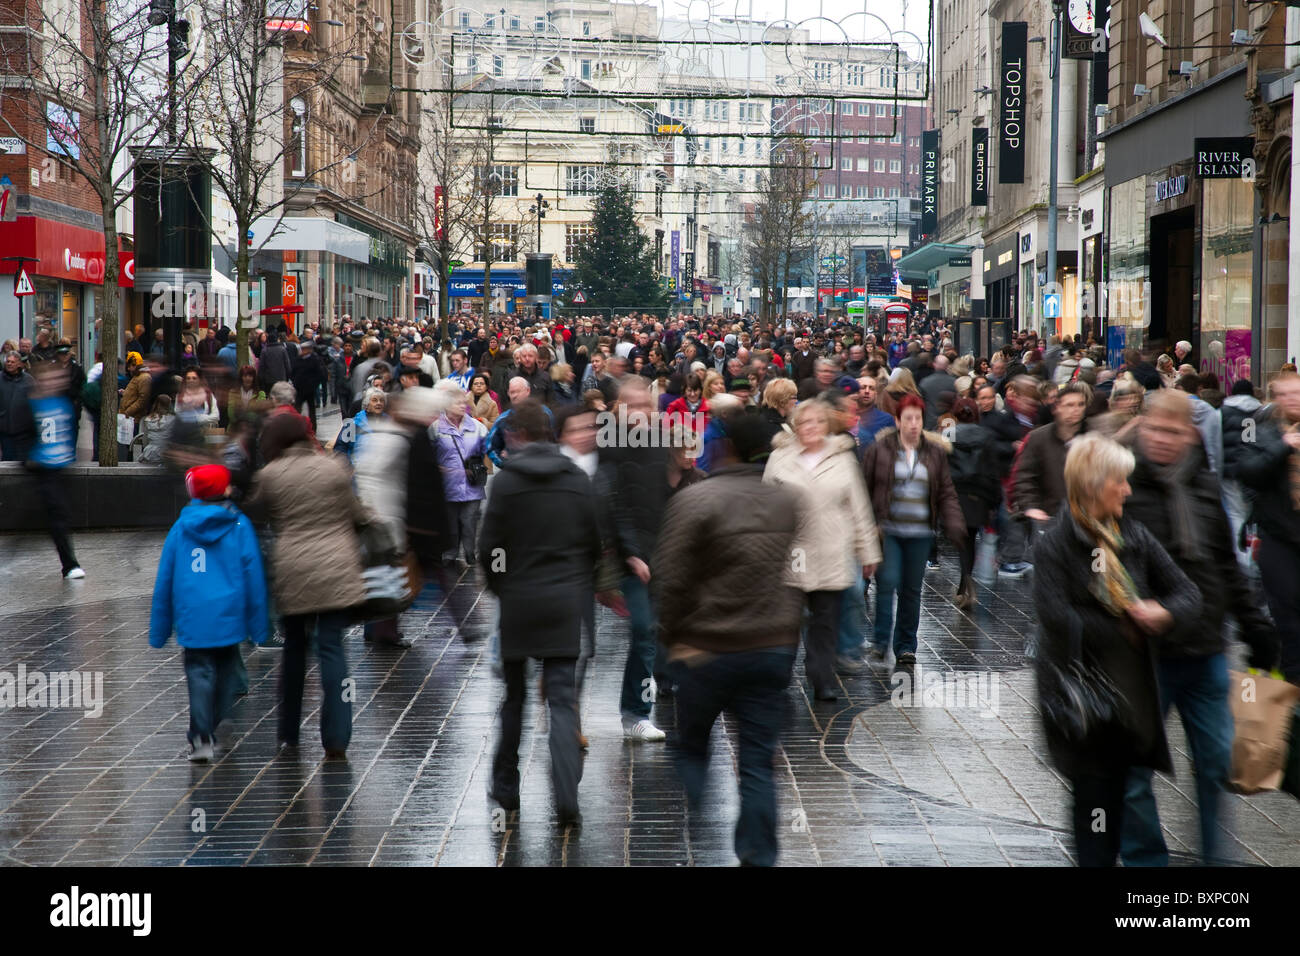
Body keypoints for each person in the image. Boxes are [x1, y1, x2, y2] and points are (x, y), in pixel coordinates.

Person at [1118, 389, 1278, 866]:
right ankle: (1148, 862)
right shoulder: (1123, 484)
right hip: (1148, 656)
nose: (1164, 440)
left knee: (1215, 764)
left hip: (1206, 649)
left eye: (1173, 431)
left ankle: (1216, 860)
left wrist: (1254, 628)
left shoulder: (1203, 482)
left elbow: (1224, 565)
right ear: (1142, 428)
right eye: (1155, 429)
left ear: (1190, 434)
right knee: (1133, 774)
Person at [1033, 435, 1200, 866]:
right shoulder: (1055, 543)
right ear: (1092, 484)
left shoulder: (1134, 537)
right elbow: (1056, 617)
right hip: (1083, 702)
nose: (1128, 490)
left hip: (1130, 700)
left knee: (1115, 801)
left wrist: (1163, 614)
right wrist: (1125, 623)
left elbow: (1187, 593)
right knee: (1094, 810)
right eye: (1119, 482)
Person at [653, 407, 803, 866]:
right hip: (770, 647)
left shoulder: (696, 499)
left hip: (707, 647)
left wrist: (671, 636)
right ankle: (758, 855)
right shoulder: (787, 501)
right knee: (757, 762)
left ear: (725, 446)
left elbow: (671, 578)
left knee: (693, 739)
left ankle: (694, 797)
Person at [480, 401, 599, 827]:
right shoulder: (577, 480)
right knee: (563, 700)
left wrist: (501, 585)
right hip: (565, 600)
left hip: (519, 601)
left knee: (515, 698)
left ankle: (506, 787)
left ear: (516, 435)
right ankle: (567, 796)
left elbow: (490, 549)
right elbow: (593, 542)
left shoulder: (507, 483)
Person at [244, 413, 374, 759]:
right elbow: (358, 516)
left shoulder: (269, 475)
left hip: (293, 569)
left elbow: (255, 514)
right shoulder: (335, 467)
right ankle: (336, 738)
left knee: (294, 651)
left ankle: (289, 734)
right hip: (337, 569)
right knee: (332, 649)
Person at [150, 464, 269, 761]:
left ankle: (201, 735)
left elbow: (165, 578)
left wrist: (160, 628)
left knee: (198, 673)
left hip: (193, 616)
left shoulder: (180, 528)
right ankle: (219, 718)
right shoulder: (239, 525)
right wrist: (259, 625)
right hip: (229, 614)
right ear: (225, 489)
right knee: (228, 669)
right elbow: (253, 573)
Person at [763, 396, 880, 700]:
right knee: (787, 619)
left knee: (825, 621)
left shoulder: (842, 458)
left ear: (826, 425)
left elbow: (859, 507)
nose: (811, 427)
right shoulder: (780, 457)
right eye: (804, 422)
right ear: (796, 426)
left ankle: (822, 678)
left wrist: (868, 552)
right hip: (793, 551)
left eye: (817, 421)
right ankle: (779, 674)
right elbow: (763, 505)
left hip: (831, 549)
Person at [862, 394, 964, 675]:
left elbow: (945, 491)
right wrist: (865, 525)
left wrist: (954, 523)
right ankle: (881, 640)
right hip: (889, 530)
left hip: (920, 532)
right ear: (897, 421)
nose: (913, 424)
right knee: (888, 580)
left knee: (911, 590)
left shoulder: (934, 453)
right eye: (907, 418)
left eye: (917, 418)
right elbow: (864, 488)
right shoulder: (880, 450)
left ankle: (906, 646)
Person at [598, 376, 674, 738]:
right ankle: (635, 713)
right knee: (643, 629)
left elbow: (668, 496)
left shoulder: (661, 440)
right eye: (633, 404)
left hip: (662, 550)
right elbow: (614, 503)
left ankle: (647, 690)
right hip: (627, 555)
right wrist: (632, 553)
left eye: (646, 404)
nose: (641, 411)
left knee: (657, 630)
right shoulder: (609, 441)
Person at [1237, 370, 1300, 683]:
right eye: (1286, 394)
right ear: (1275, 398)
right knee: (1287, 617)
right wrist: (1284, 447)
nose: (1293, 400)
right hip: (1278, 536)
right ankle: (1292, 690)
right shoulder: (1257, 427)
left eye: (1298, 393)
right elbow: (1247, 471)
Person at [26, 362, 85, 578]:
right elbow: (25, 430)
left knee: (55, 516)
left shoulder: (63, 403)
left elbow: (68, 433)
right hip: (44, 468)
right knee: (58, 516)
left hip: (61, 467)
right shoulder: (32, 403)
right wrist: (29, 459)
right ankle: (70, 564)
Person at [947, 398, 1000, 610]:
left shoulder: (949, 434)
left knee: (963, 542)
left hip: (955, 494)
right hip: (978, 497)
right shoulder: (986, 436)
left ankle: (965, 584)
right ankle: (965, 583)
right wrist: (994, 500)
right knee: (970, 540)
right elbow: (993, 470)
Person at [1014, 381, 1091, 527]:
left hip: (1086, 519)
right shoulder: (1038, 438)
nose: (1076, 410)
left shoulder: (1094, 439)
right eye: (1070, 405)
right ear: (1057, 408)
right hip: (1050, 518)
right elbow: (1024, 476)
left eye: (1081, 405)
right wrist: (1031, 507)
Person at [433, 383, 487, 566]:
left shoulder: (477, 427)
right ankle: (450, 553)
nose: (463, 406)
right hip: (447, 484)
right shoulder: (435, 429)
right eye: (458, 403)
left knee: (469, 521)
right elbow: (430, 455)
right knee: (451, 524)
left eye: (464, 403)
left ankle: (470, 554)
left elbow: (487, 448)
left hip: (472, 484)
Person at [0, 348, 35, 461]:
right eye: (8, 361)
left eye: (12, 362)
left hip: (24, 431)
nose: (9, 364)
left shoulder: (29, 381)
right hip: (5, 430)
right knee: (8, 459)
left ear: (19, 364)